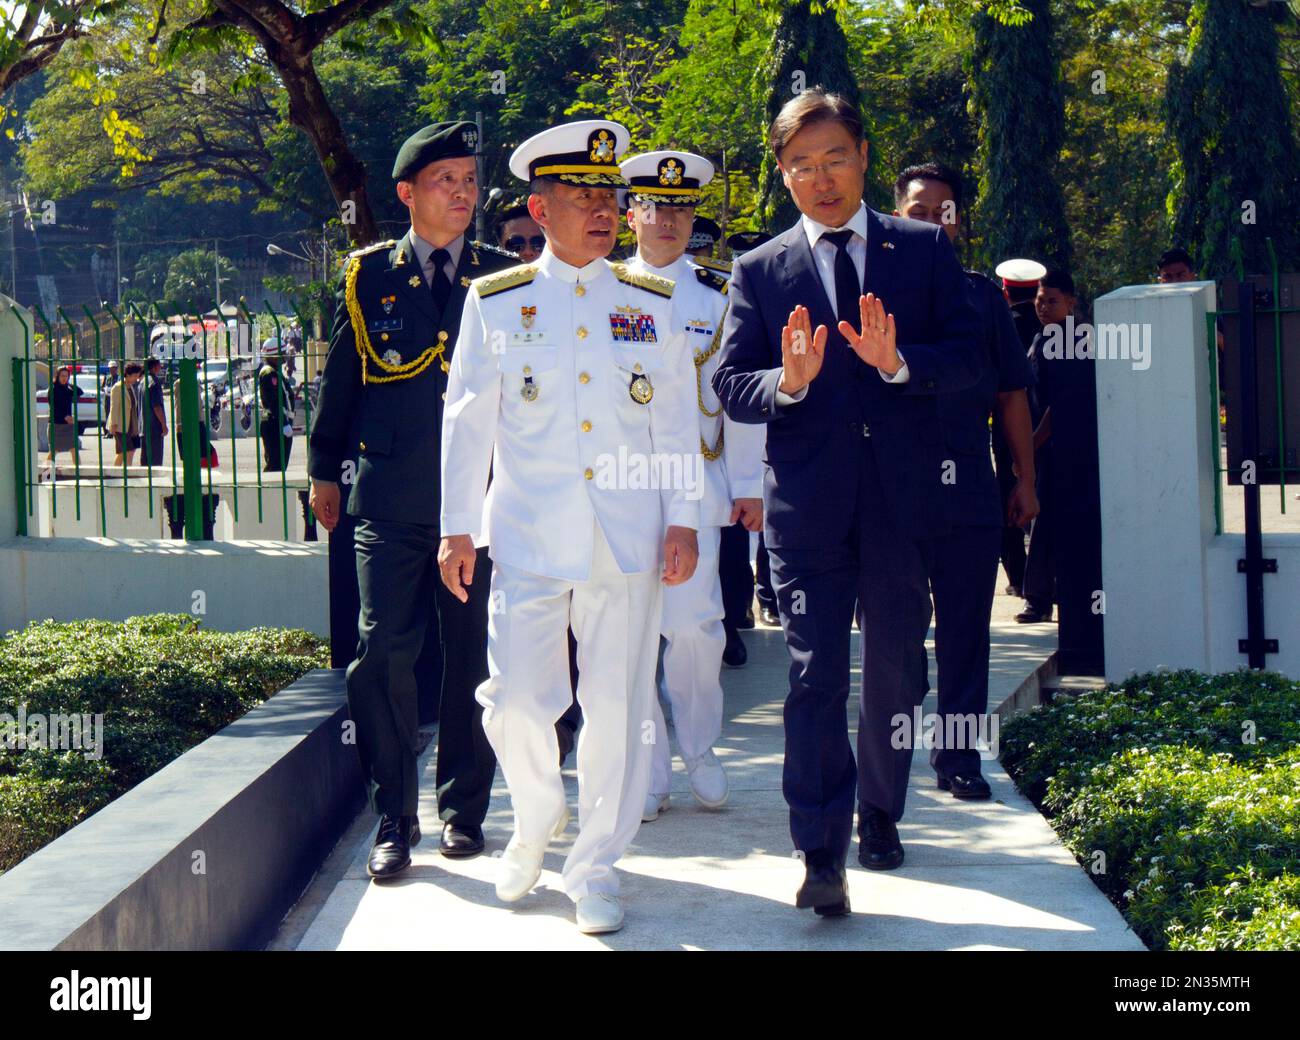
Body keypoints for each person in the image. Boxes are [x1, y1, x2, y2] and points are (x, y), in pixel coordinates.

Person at [713, 88, 980, 917]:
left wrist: (901, 364)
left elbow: (972, 356)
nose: (819, 179)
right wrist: (786, 383)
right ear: (782, 174)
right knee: (814, 674)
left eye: (833, 160)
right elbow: (729, 382)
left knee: (896, 670)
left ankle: (878, 811)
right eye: (800, 165)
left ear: (863, 158)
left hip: (904, 505)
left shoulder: (922, 251)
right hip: (808, 510)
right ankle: (820, 847)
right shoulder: (760, 270)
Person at [439, 119, 700, 935]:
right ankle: (536, 820)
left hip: (627, 536)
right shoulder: (497, 301)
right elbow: (467, 420)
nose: (605, 212)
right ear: (539, 209)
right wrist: (456, 529)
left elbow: (677, 422)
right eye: (583, 197)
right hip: (527, 536)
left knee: (618, 707)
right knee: (516, 700)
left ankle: (595, 868)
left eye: (609, 197)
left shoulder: (646, 301)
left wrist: (685, 518)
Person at [309, 121, 518, 878]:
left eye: (469, 182)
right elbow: (342, 379)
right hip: (389, 499)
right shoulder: (367, 276)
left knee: (472, 657)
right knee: (381, 657)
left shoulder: (500, 277)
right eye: (444, 183)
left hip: (479, 505)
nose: (462, 195)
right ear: (406, 194)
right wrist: (324, 466)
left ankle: (464, 811)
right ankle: (394, 819)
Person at [621, 149, 765, 822]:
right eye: (655, 206)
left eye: (680, 207)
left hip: (694, 483)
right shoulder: (605, 289)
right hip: (620, 488)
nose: (669, 220)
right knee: (628, 634)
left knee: (698, 628)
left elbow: (736, 396)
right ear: (631, 216)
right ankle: (650, 772)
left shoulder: (720, 294)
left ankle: (700, 747)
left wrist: (747, 483)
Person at [893, 162, 1039, 800]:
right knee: (895, 634)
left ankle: (957, 757)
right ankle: (893, 751)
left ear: (960, 221)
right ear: (896, 213)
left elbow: (1011, 396)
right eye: (919, 209)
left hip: (969, 488)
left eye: (944, 210)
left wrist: (1024, 479)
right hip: (891, 488)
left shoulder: (983, 298)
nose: (932, 219)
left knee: (965, 629)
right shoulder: (871, 291)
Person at [1019, 268, 1080, 625]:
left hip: (1059, 448)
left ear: (1071, 302)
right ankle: (1053, 593)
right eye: (1040, 301)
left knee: (1044, 524)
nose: (1043, 307)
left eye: (1052, 301)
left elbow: (1061, 404)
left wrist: (1030, 445)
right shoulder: (1044, 336)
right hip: (1043, 449)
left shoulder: (1070, 340)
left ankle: (1039, 599)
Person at [992, 257, 1046, 595]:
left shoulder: (999, 325)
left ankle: (1019, 578)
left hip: (1007, 431)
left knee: (1007, 502)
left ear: (1005, 290)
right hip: (1045, 427)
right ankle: (1046, 579)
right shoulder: (1051, 326)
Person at [258, 341, 295, 472]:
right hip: (275, 423)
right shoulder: (269, 373)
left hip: (278, 422)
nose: (285, 356)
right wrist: (284, 423)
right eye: (283, 353)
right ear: (275, 355)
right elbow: (274, 401)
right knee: (275, 466)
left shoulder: (274, 372)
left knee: (280, 465)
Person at [44, 366, 81, 478]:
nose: (64, 378)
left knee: (74, 448)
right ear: (57, 376)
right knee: (54, 451)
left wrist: (69, 384)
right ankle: (46, 475)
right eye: (62, 376)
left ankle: (79, 474)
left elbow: (80, 392)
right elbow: (53, 407)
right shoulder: (53, 389)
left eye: (66, 376)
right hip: (56, 424)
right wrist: (65, 416)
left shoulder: (68, 389)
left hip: (68, 425)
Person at [107, 362, 144, 466]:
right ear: (127, 375)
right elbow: (113, 407)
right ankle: (116, 473)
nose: (136, 379)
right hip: (120, 425)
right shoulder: (117, 387)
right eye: (135, 376)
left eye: (138, 376)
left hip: (131, 424)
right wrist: (113, 424)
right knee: (124, 451)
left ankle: (127, 471)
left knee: (130, 451)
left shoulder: (130, 387)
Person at [140, 358, 169, 467]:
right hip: (154, 427)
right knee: (155, 461)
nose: (161, 367)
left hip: (143, 426)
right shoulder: (154, 382)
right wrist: (163, 424)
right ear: (154, 367)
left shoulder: (142, 381)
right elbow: (157, 407)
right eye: (159, 365)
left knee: (145, 461)